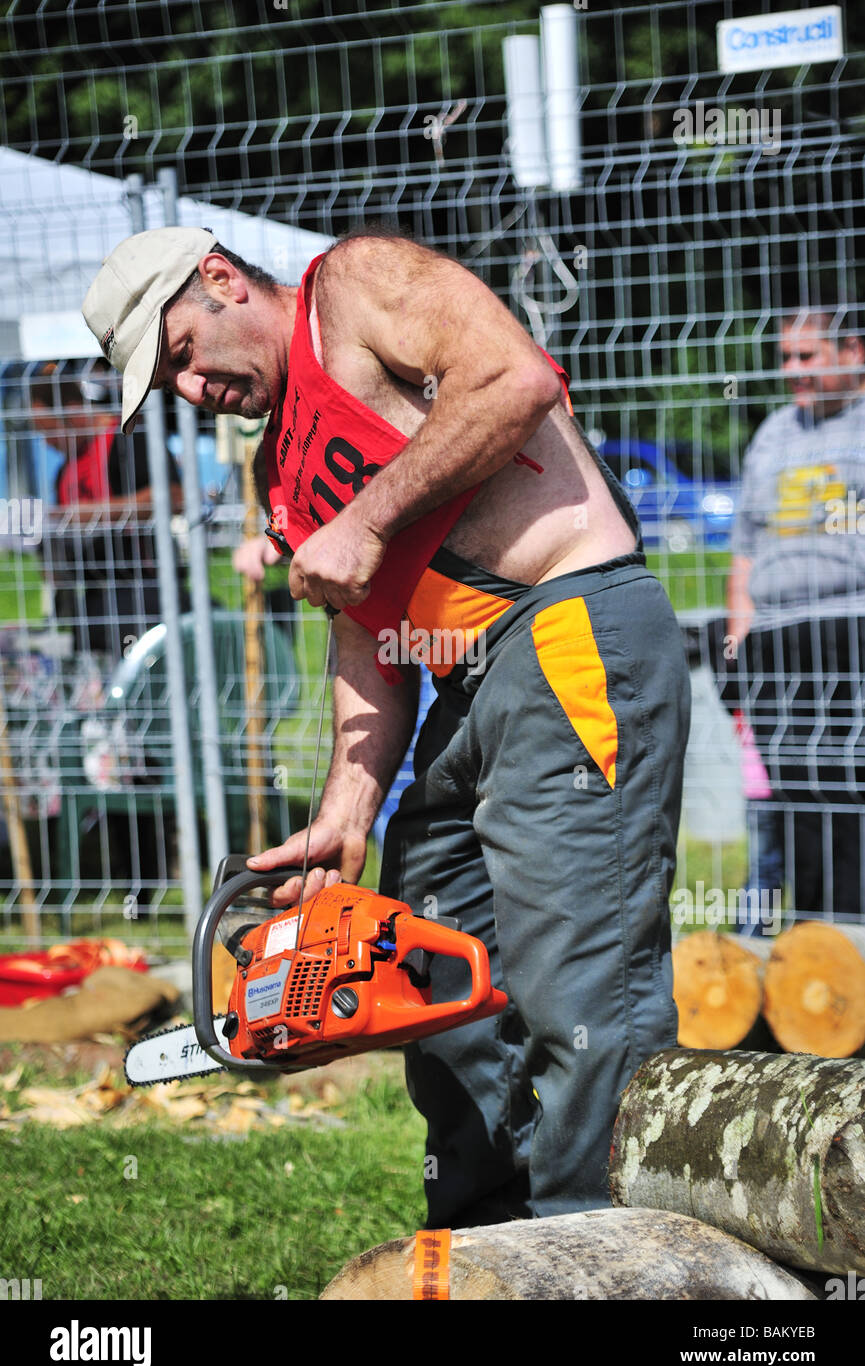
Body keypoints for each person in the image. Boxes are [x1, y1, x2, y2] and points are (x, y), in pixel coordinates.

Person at [83, 225, 690, 1226]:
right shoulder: (279, 465)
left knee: (576, 990)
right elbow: (367, 630)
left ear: (222, 279)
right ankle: (479, 1254)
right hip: (458, 681)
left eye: (182, 354)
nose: (191, 391)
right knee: (433, 979)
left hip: (567, 625)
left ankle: (601, 1255)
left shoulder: (357, 288)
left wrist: (361, 522)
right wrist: (345, 808)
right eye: (168, 386)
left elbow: (514, 380)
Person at [724, 308, 865, 923]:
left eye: (806, 357)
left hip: (853, 631)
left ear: (853, 351)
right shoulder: (774, 434)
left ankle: (853, 925)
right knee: (794, 789)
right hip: (779, 644)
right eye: (786, 358)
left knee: (851, 786)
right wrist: (739, 637)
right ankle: (812, 934)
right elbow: (745, 549)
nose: (791, 371)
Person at [29, 360, 185, 662]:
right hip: (89, 604)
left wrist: (96, 513)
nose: (47, 444)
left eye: (48, 431)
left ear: (72, 411)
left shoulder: (128, 437)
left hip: (145, 592)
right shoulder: (65, 473)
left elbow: (174, 497)